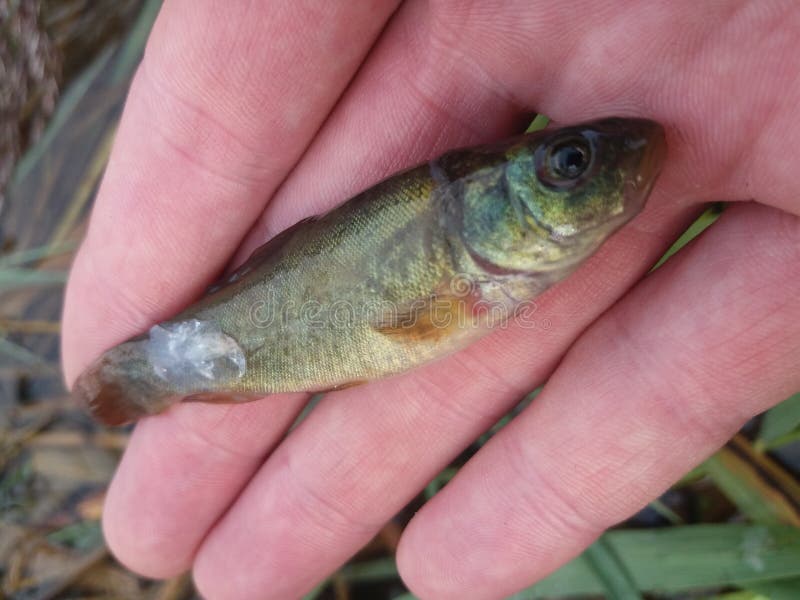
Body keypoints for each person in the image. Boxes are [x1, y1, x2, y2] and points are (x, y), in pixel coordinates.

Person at [61, 2, 800, 599]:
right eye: (565, 165)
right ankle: (135, 382)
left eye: (565, 165)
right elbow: (414, 322)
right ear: (481, 204)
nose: (584, 166)